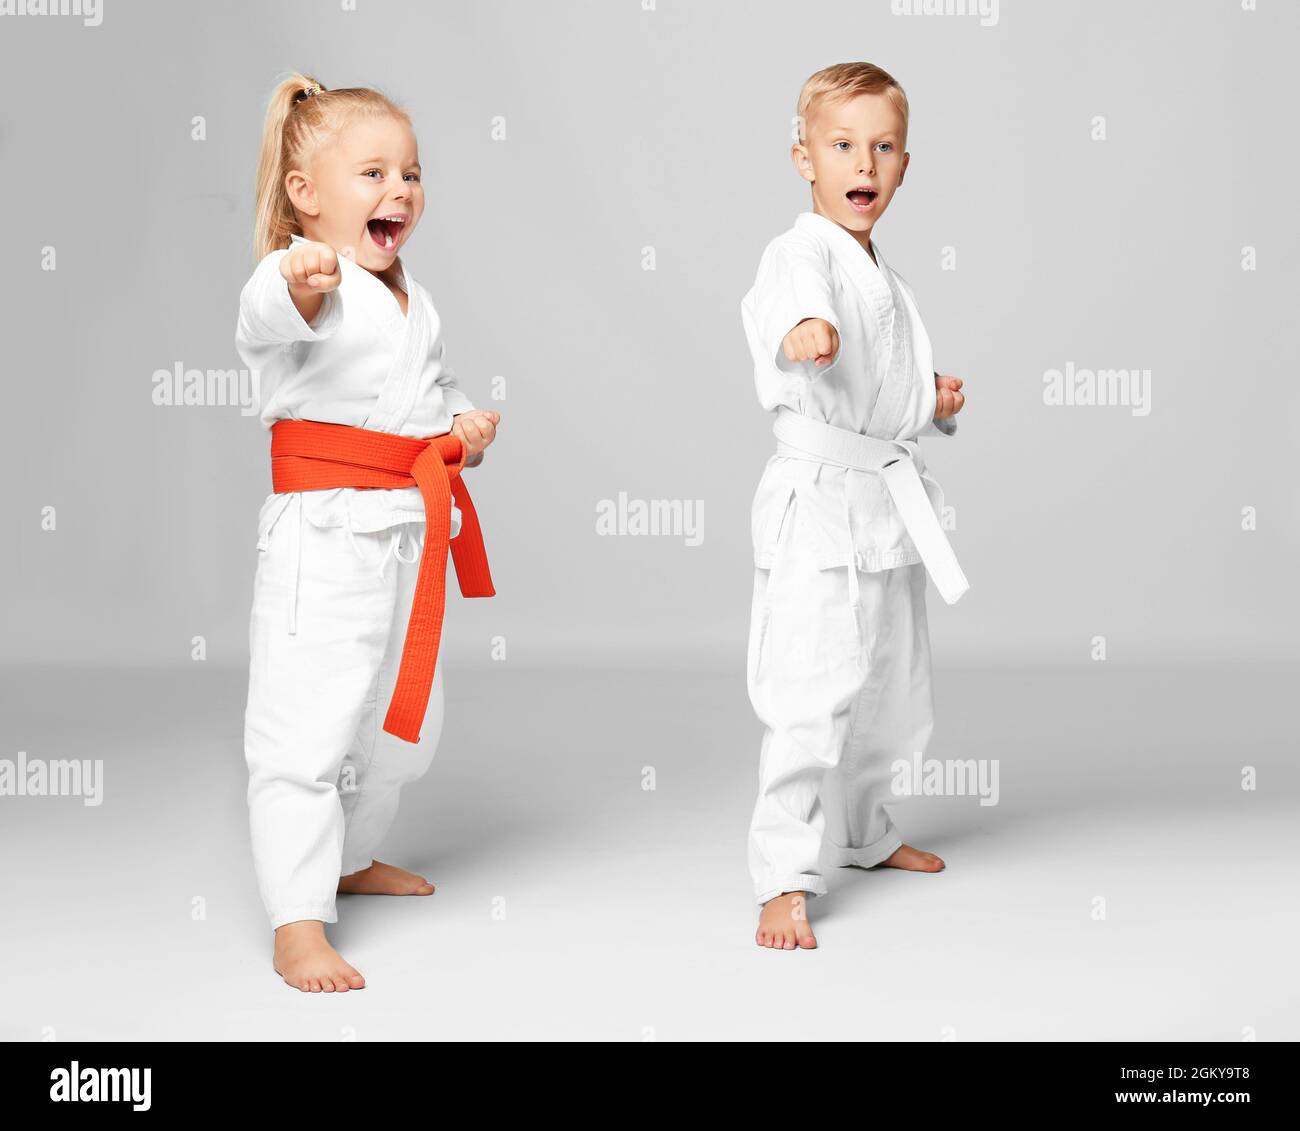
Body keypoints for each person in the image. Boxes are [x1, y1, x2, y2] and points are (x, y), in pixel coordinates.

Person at [236, 74, 500, 990]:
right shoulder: (298, 274)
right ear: (307, 194)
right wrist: (300, 281)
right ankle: (297, 919)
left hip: (402, 530)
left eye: (412, 174)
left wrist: (461, 422)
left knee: (397, 720)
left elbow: (430, 389)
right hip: (325, 534)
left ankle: (350, 857)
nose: (402, 190)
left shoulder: (408, 297)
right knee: (307, 723)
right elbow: (265, 317)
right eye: (375, 172)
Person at [741, 61, 969, 950]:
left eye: (881, 146)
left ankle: (869, 833)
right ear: (803, 156)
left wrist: (930, 405)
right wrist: (804, 333)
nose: (861, 162)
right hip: (819, 507)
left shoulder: (887, 273)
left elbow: (886, 389)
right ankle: (782, 879)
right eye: (841, 145)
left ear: (904, 165)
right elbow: (791, 314)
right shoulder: (800, 254)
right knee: (809, 692)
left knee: (892, 691)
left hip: (884, 505)